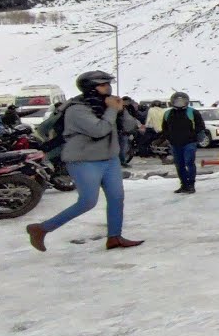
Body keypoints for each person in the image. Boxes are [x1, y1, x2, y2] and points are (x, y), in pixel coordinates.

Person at [25, 71, 143, 252]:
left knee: (116, 198)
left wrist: (121, 111)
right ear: (91, 88)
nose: (108, 88)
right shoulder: (76, 109)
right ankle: (41, 229)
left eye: (108, 84)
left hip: (109, 159)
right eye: (103, 85)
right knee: (88, 201)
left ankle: (115, 237)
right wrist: (112, 110)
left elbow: (129, 127)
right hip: (84, 160)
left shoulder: (107, 104)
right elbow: (99, 130)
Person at [162, 92, 206, 195]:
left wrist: (195, 138)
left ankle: (191, 185)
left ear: (186, 101)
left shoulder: (193, 112)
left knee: (189, 163)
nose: (179, 103)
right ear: (173, 102)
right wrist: (169, 138)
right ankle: (184, 184)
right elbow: (165, 128)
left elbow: (200, 126)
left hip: (189, 142)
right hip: (175, 143)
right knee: (179, 165)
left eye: (181, 101)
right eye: (177, 101)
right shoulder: (168, 113)